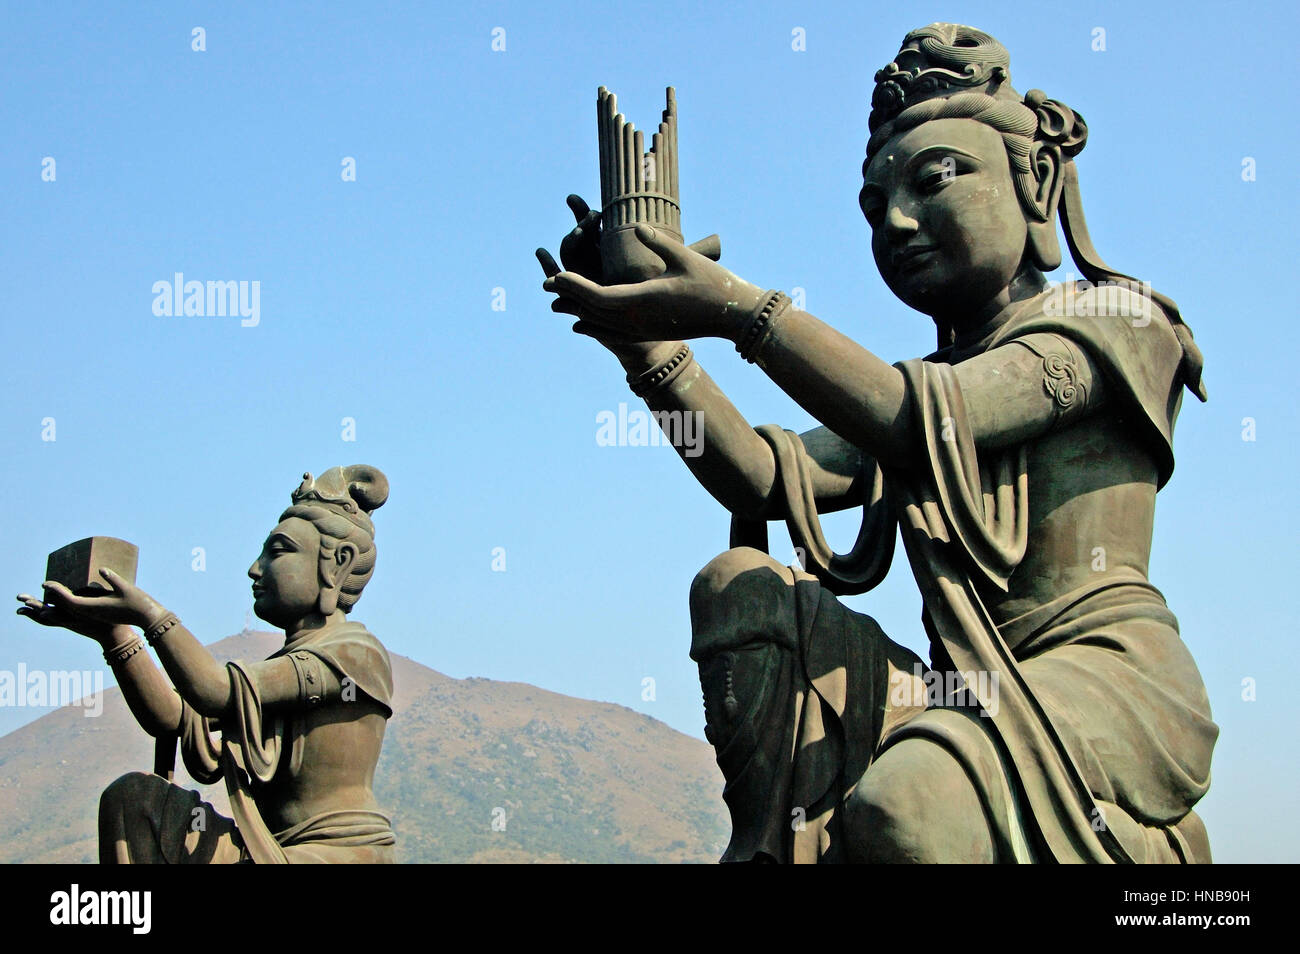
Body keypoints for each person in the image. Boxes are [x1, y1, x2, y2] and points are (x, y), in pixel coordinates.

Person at [537, 23, 1216, 863]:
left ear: (1036, 180)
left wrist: (737, 310)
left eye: (935, 179)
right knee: (740, 586)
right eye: (873, 205)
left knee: (910, 806)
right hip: (959, 689)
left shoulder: (1117, 324)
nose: (896, 221)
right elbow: (756, 478)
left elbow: (933, 417)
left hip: (1106, 681)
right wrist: (645, 347)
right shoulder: (911, 387)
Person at [17, 465, 396, 863]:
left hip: (335, 857)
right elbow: (174, 716)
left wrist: (151, 615)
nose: (255, 569)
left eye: (278, 551)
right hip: (265, 849)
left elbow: (214, 691)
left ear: (337, 563)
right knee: (135, 799)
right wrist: (114, 633)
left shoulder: (355, 654)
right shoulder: (278, 670)